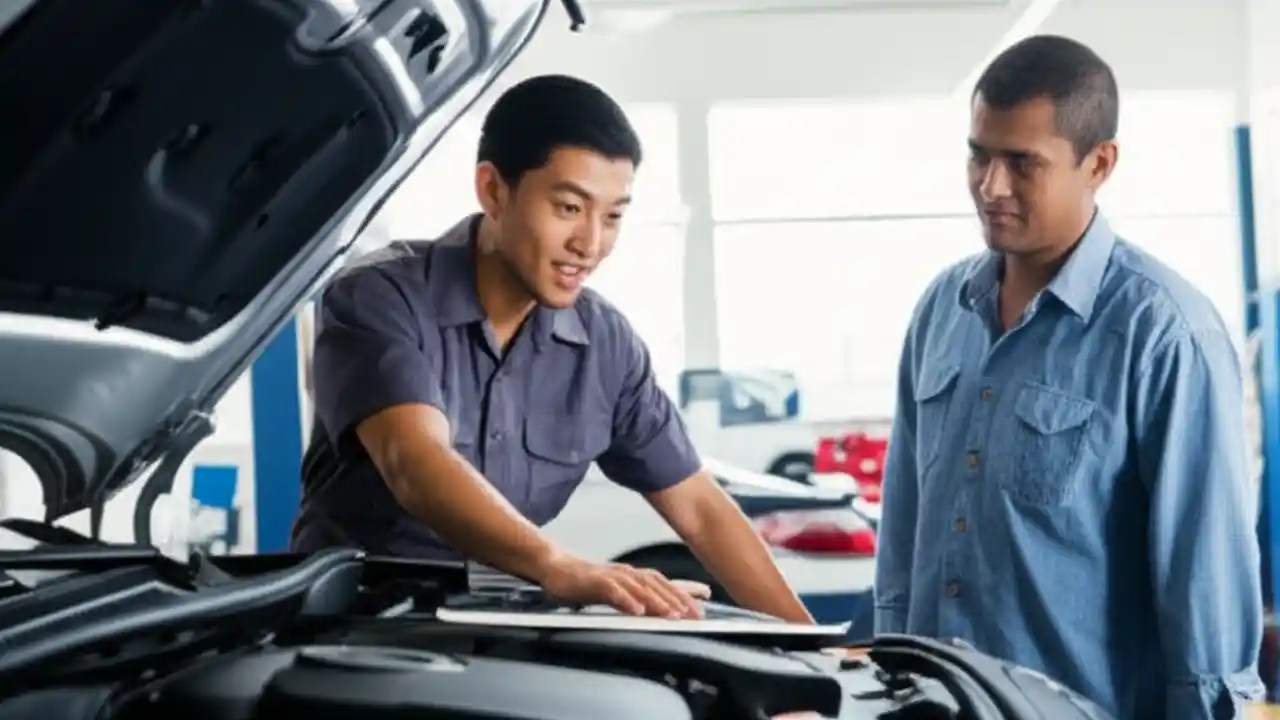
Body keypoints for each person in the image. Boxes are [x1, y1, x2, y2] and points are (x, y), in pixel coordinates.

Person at [290, 74, 814, 625]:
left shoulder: (606, 346)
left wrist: (816, 649)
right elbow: (415, 462)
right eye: (568, 207)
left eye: (612, 216)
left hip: (501, 628)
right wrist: (555, 563)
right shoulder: (379, 296)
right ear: (493, 190)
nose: (590, 244)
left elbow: (700, 510)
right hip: (351, 630)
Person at [873, 34, 1264, 719]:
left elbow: (1204, 598)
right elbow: (903, 540)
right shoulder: (942, 311)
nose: (991, 186)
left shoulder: (1166, 333)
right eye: (978, 155)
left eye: (1023, 163)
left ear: (1100, 163)